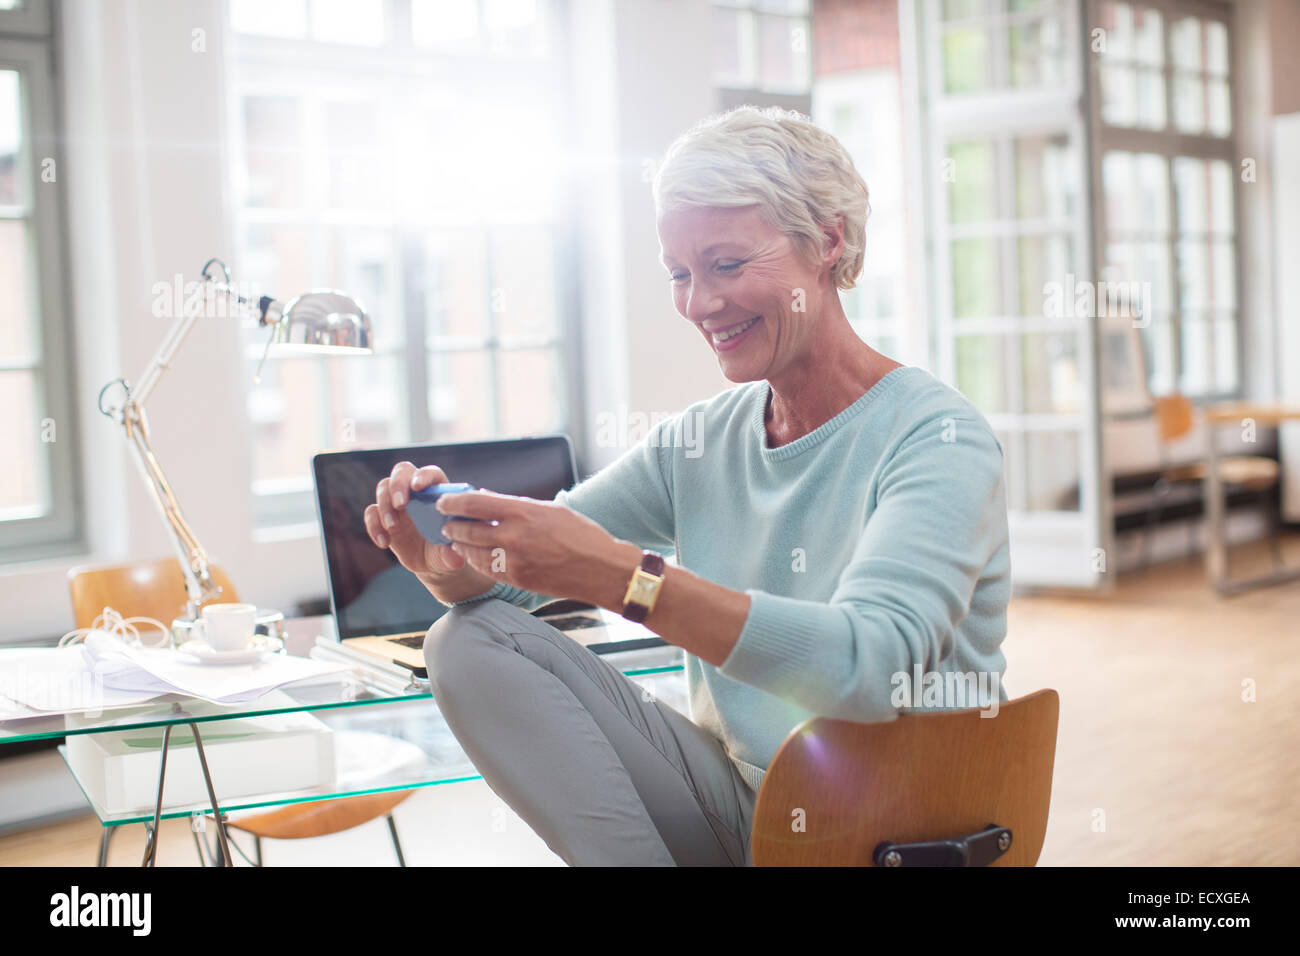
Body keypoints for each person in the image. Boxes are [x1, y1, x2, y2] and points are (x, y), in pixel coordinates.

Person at [363, 105, 1011, 866]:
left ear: (828, 242)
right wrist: (447, 567)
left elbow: (869, 668)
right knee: (467, 640)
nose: (699, 304)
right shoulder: (702, 439)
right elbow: (511, 591)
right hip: (744, 811)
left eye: (728, 265)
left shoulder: (935, 436)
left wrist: (623, 580)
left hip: (890, 830)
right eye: (680, 273)